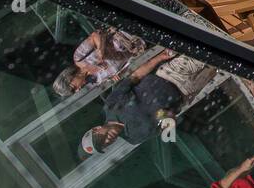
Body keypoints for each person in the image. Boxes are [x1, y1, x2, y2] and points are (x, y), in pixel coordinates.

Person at [80, 48, 218, 155]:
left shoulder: (111, 105)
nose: (107, 141)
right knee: (218, 62)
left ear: (97, 129)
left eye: (101, 139)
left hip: (170, 74)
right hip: (185, 93)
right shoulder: (134, 138)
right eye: (104, 145)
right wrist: (166, 117)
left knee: (206, 49)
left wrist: (160, 57)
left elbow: (135, 76)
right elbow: (166, 125)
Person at [53, 27, 147, 98]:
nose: (78, 90)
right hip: (141, 46)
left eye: (74, 87)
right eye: (75, 91)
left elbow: (96, 35)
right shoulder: (97, 81)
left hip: (129, 32)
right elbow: (127, 64)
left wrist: (100, 49)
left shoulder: (79, 58)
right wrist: (120, 74)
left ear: (69, 78)